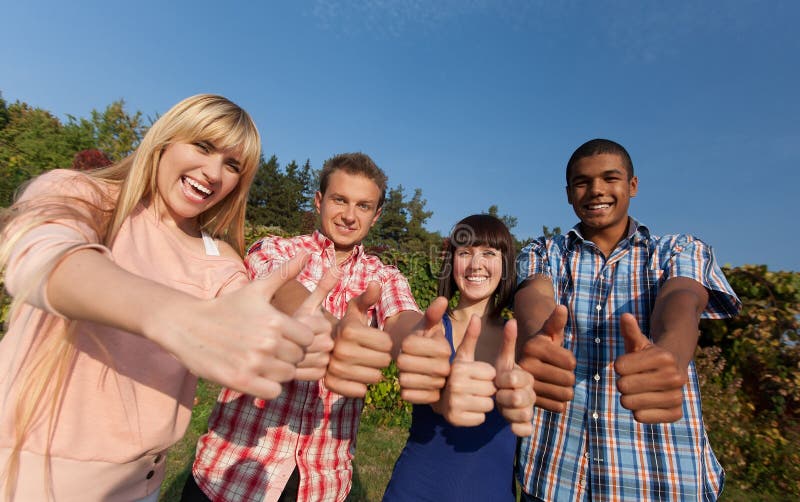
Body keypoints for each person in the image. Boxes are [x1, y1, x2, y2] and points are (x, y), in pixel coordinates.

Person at [0, 94, 330, 501]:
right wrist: (175, 316)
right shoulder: (82, 194)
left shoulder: (220, 258)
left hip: (142, 486)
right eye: (203, 146)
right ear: (165, 141)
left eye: (232, 166)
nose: (213, 173)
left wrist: (301, 335)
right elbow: (40, 259)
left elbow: (250, 312)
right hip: (28, 478)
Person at [184, 152, 452, 502]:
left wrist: (417, 338)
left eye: (363, 206)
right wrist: (332, 330)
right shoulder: (274, 249)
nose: (350, 215)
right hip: (233, 470)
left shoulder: (385, 277)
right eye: (340, 200)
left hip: (322, 483)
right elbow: (281, 289)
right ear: (319, 200)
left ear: (376, 215)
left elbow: (401, 316)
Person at [514, 138, 742, 501]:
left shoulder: (678, 250)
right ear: (569, 194)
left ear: (632, 185)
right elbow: (533, 295)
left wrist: (670, 353)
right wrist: (535, 338)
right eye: (582, 182)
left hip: (658, 481)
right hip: (554, 477)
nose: (596, 190)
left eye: (610, 178)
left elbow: (683, 299)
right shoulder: (544, 251)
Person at [382, 214, 535, 501]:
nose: (476, 264)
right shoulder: (432, 328)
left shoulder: (519, 339)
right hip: (415, 491)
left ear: (505, 264)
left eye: (489, 253)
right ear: (452, 263)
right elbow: (403, 337)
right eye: (465, 253)